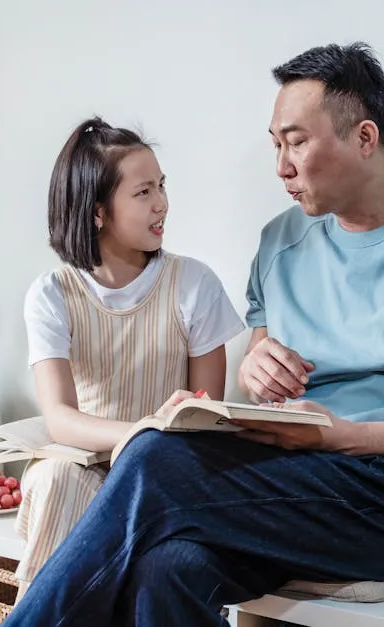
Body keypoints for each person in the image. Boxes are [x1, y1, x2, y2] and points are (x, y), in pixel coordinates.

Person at [3, 42, 384, 627]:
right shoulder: (280, 242)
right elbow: (263, 355)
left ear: (364, 138)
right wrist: (255, 365)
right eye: (276, 144)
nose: (281, 165)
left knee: (153, 455)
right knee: (170, 566)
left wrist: (344, 436)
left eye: (296, 142)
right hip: (284, 479)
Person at [13, 116, 245, 596]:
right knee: (57, 480)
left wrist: (152, 446)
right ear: (98, 211)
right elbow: (59, 418)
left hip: (162, 469)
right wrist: (142, 432)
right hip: (82, 463)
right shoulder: (52, 294)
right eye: (143, 192)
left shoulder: (193, 284)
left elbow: (205, 416)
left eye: (161, 186)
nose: (162, 203)